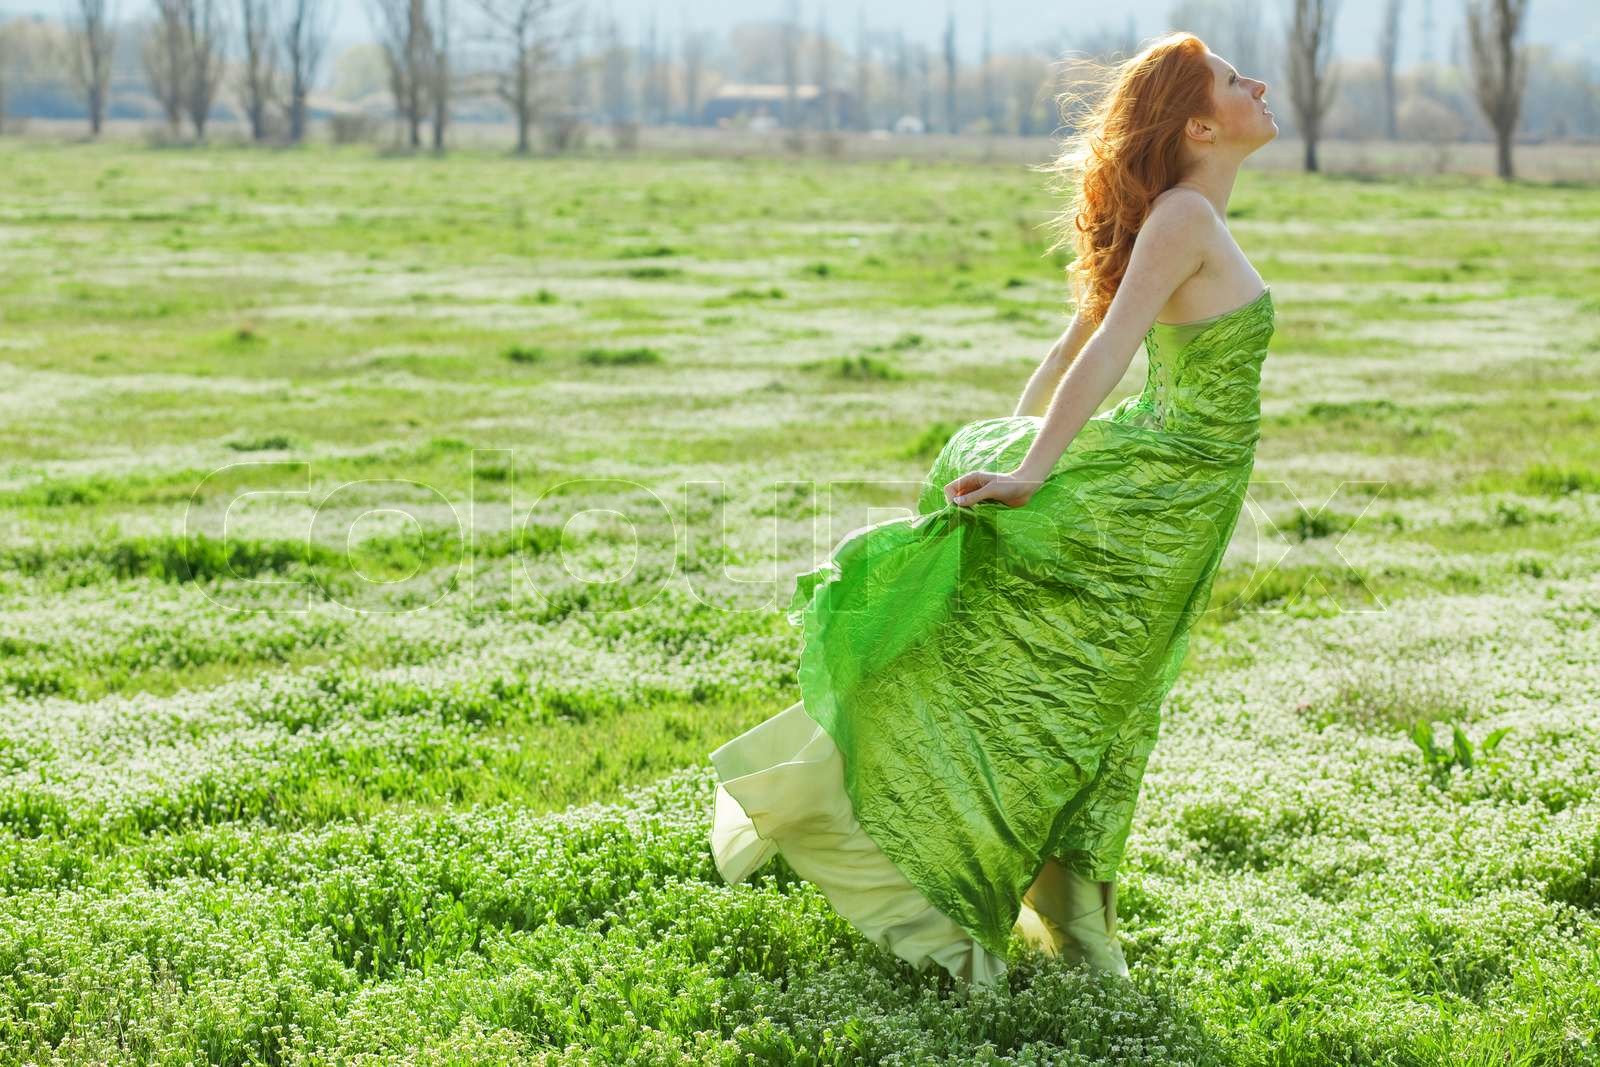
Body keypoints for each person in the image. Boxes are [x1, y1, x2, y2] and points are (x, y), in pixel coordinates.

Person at [708, 31, 1278, 989]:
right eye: (1231, 79)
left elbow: (1077, 339)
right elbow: (1100, 356)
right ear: (1198, 123)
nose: (1255, 83)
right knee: (1072, 699)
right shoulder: (1183, 215)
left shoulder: (1188, 218)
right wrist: (1027, 465)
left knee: (1113, 703)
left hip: (1189, 500)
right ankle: (1025, 890)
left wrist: (1020, 447)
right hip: (1160, 488)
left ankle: (1075, 900)